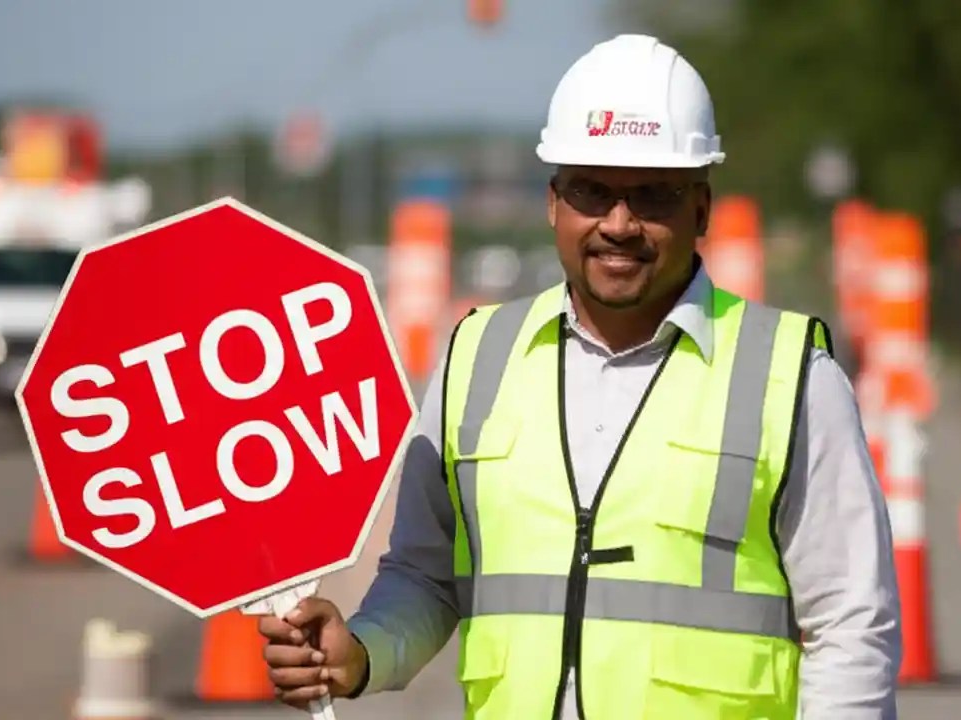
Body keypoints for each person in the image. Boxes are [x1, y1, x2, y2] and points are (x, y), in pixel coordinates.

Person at [259, 33, 902, 719]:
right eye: (592, 191)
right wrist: (361, 652)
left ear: (701, 208)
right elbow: (426, 575)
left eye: (652, 195)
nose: (619, 224)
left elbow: (851, 624)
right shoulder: (477, 358)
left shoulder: (789, 377)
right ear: (554, 202)